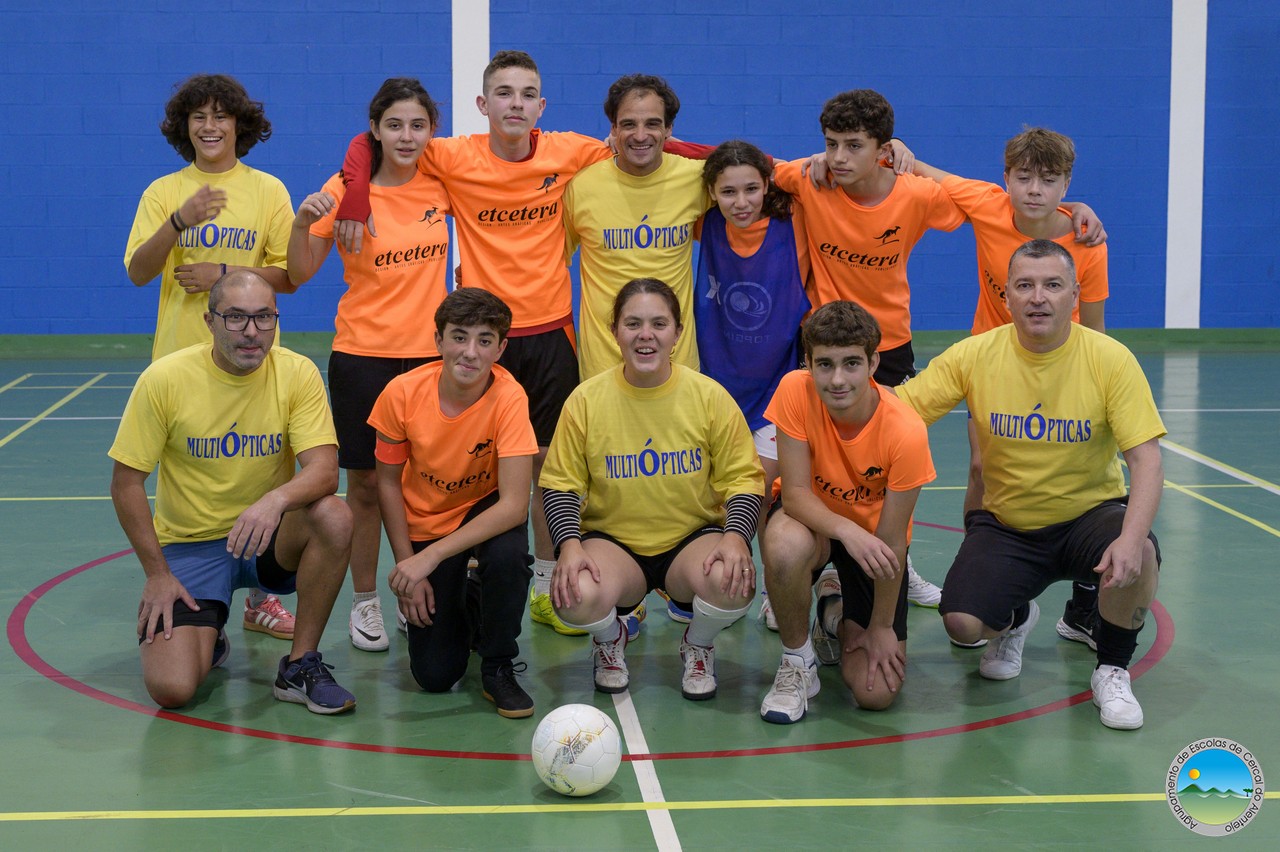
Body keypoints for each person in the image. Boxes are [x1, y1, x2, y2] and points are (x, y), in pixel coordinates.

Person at [334, 51, 615, 639]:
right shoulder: (452, 155)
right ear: (484, 106)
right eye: (504, 93)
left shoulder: (569, 150)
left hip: (552, 333)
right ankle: (444, 576)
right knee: (471, 466)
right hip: (486, 340)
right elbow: (368, 144)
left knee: (546, 466)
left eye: (527, 93)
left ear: (542, 105)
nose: (516, 103)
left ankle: (542, 581)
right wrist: (356, 198)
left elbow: (644, 145)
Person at [894, 240, 1164, 730]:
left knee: (1140, 550)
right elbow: (898, 413)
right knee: (961, 623)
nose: (1039, 297)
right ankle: (1015, 620)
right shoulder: (975, 355)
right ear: (1007, 298)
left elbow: (1146, 460)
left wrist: (1129, 536)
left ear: (1074, 295)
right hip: (1009, 525)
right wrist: (825, 402)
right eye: (1025, 285)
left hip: (1090, 515)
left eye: (1052, 285)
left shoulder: (1110, 359)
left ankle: (1112, 667)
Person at [108, 271, 356, 715]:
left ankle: (299, 666)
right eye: (236, 317)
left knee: (334, 515)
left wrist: (274, 501)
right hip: (192, 545)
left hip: (268, 537)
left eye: (264, 318)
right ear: (210, 321)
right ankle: (209, 626)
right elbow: (126, 484)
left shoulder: (296, 373)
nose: (251, 332)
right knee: (173, 689)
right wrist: (157, 574)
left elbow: (324, 471)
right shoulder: (164, 379)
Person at [911, 127, 1109, 648]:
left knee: (1078, 474)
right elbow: (930, 174)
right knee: (982, 468)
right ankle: (991, 588)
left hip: (1061, 371)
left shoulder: (1087, 241)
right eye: (1023, 178)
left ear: (1066, 183)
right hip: (994, 369)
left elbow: (1096, 331)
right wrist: (901, 154)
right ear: (1006, 181)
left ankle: (1085, 605)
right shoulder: (986, 204)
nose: (1034, 190)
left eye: (1048, 180)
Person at [124, 73, 298, 641]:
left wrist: (225, 273)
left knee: (263, 465)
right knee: (192, 477)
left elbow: (289, 274)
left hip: (252, 356)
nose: (210, 126)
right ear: (184, 127)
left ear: (239, 125)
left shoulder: (268, 190)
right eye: (199, 116)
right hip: (183, 358)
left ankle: (261, 598)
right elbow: (138, 271)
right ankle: (207, 596)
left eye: (221, 116)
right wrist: (179, 221)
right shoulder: (162, 191)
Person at [540, 278, 764, 700]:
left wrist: (736, 537)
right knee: (572, 594)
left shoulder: (709, 397)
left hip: (690, 542)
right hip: (614, 546)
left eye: (659, 323)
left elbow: (745, 480)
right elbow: (559, 486)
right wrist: (569, 546)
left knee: (734, 579)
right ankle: (610, 640)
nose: (646, 335)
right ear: (615, 332)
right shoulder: (586, 401)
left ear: (678, 333)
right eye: (633, 323)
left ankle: (697, 645)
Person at [287, 77, 452, 653]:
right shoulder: (343, 188)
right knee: (362, 487)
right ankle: (365, 604)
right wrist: (300, 221)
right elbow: (301, 270)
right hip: (361, 355)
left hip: (431, 358)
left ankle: (415, 587)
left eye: (418, 125)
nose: (407, 136)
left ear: (432, 130)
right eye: (394, 125)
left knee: (418, 486)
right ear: (376, 129)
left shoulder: (441, 179)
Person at [758, 302, 935, 723]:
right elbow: (797, 495)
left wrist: (881, 627)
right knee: (782, 544)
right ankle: (797, 661)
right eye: (825, 365)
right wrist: (847, 532)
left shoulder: (906, 432)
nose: (837, 380)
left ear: (874, 362)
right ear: (808, 363)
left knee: (876, 693)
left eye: (851, 363)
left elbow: (892, 542)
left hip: (875, 545)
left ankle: (832, 613)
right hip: (815, 523)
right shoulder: (794, 390)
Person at [369, 288, 538, 718]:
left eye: (485, 340)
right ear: (438, 341)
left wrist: (434, 559)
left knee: (509, 554)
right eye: (459, 336)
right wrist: (410, 568)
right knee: (435, 676)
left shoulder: (510, 397)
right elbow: (387, 485)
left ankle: (499, 663)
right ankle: (469, 598)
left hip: (485, 507)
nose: (470, 352)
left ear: (501, 348)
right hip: (428, 522)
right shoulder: (401, 394)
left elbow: (515, 506)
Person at [564, 74, 708, 381]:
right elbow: (548, 261)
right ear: (613, 129)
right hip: (602, 374)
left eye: (653, 124)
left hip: (677, 369)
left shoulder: (696, 180)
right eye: (628, 124)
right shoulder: (583, 187)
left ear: (669, 129)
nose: (640, 135)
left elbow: (753, 175)